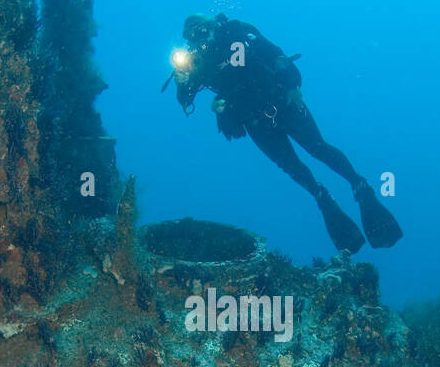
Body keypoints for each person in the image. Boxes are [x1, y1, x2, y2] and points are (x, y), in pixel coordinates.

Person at [168, 13, 402, 254]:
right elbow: (186, 100)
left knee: (318, 147)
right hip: (254, 122)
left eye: (201, 31)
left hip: (283, 102)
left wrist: (293, 86)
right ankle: (321, 196)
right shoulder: (197, 63)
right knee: (293, 168)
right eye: (191, 37)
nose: (199, 39)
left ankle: (359, 186)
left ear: (211, 27)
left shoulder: (236, 33)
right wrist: (181, 81)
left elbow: (277, 55)